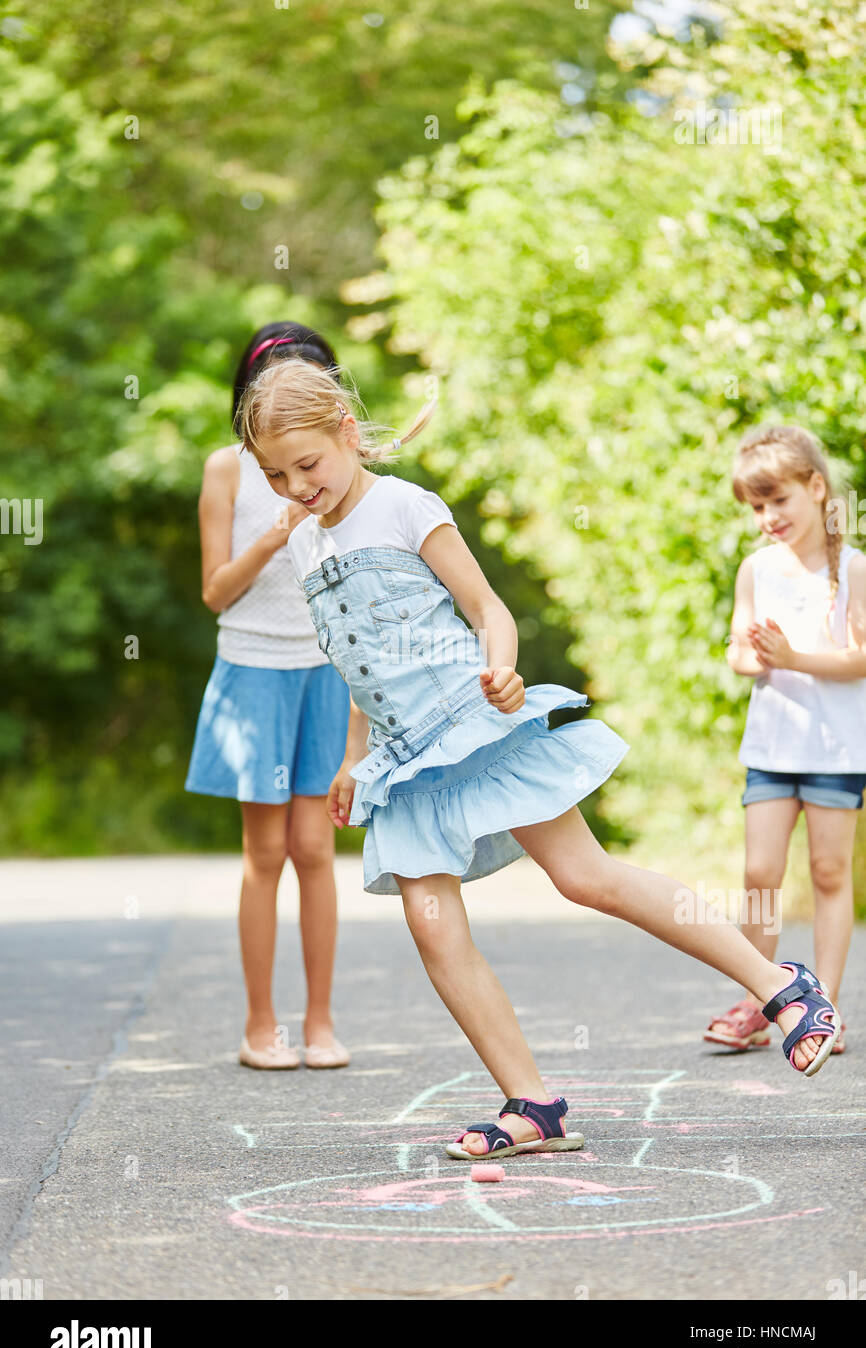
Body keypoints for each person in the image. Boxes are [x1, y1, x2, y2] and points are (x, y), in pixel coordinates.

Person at [236, 360, 840, 1159]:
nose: (296, 486)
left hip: (474, 720)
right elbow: (360, 666)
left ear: (349, 432)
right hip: (403, 759)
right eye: (276, 475)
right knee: (432, 929)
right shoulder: (305, 549)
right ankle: (532, 1104)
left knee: (587, 878)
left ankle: (779, 985)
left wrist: (504, 667)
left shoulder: (404, 507)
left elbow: (488, 609)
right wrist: (355, 760)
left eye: (307, 464)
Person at [185, 324, 351, 1071]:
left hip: (325, 672)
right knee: (267, 852)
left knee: (316, 849)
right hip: (253, 670)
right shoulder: (229, 469)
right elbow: (215, 593)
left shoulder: (333, 466)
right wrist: (276, 533)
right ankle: (261, 1027)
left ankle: (320, 1023)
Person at [704, 425, 866, 1056]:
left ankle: (824, 1004)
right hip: (771, 749)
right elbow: (741, 651)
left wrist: (793, 656)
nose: (768, 517)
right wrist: (753, 656)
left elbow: (860, 658)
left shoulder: (852, 567)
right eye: (757, 506)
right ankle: (760, 998)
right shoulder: (756, 569)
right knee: (760, 871)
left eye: (779, 501)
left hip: (834, 749)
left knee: (829, 872)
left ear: (816, 487)